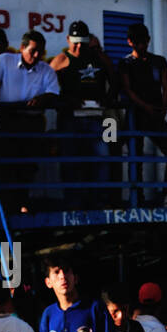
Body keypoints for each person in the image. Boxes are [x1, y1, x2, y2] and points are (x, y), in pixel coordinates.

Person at [0, 30, 60, 213]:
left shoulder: (46, 70)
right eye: (33, 51)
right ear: (22, 48)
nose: (37, 55)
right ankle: (3, 207)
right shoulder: (5, 61)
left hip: (31, 122)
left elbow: (53, 92)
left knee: (27, 166)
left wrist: (42, 99)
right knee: (3, 165)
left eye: (40, 51)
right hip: (6, 119)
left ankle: (21, 203)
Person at [117, 23, 167, 206]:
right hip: (135, 117)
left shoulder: (159, 61)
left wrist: (163, 108)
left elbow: (166, 86)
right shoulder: (125, 63)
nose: (142, 46)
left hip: (155, 115)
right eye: (138, 42)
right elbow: (128, 90)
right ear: (130, 42)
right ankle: (136, 198)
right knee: (135, 159)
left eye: (145, 42)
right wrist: (147, 107)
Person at [50, 21, 113, 200]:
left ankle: (99, 205)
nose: (79, 46)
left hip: (101, 120)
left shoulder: (100, 58)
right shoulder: (60, 60)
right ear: (68, 39)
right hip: (70, 120)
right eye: (75, 42)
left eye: (82, 42)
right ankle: (73, 206)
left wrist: (107, 97)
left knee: (102, 160)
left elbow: (115, 81)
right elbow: (46, 88)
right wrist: (67, 100)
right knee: (70, 163)